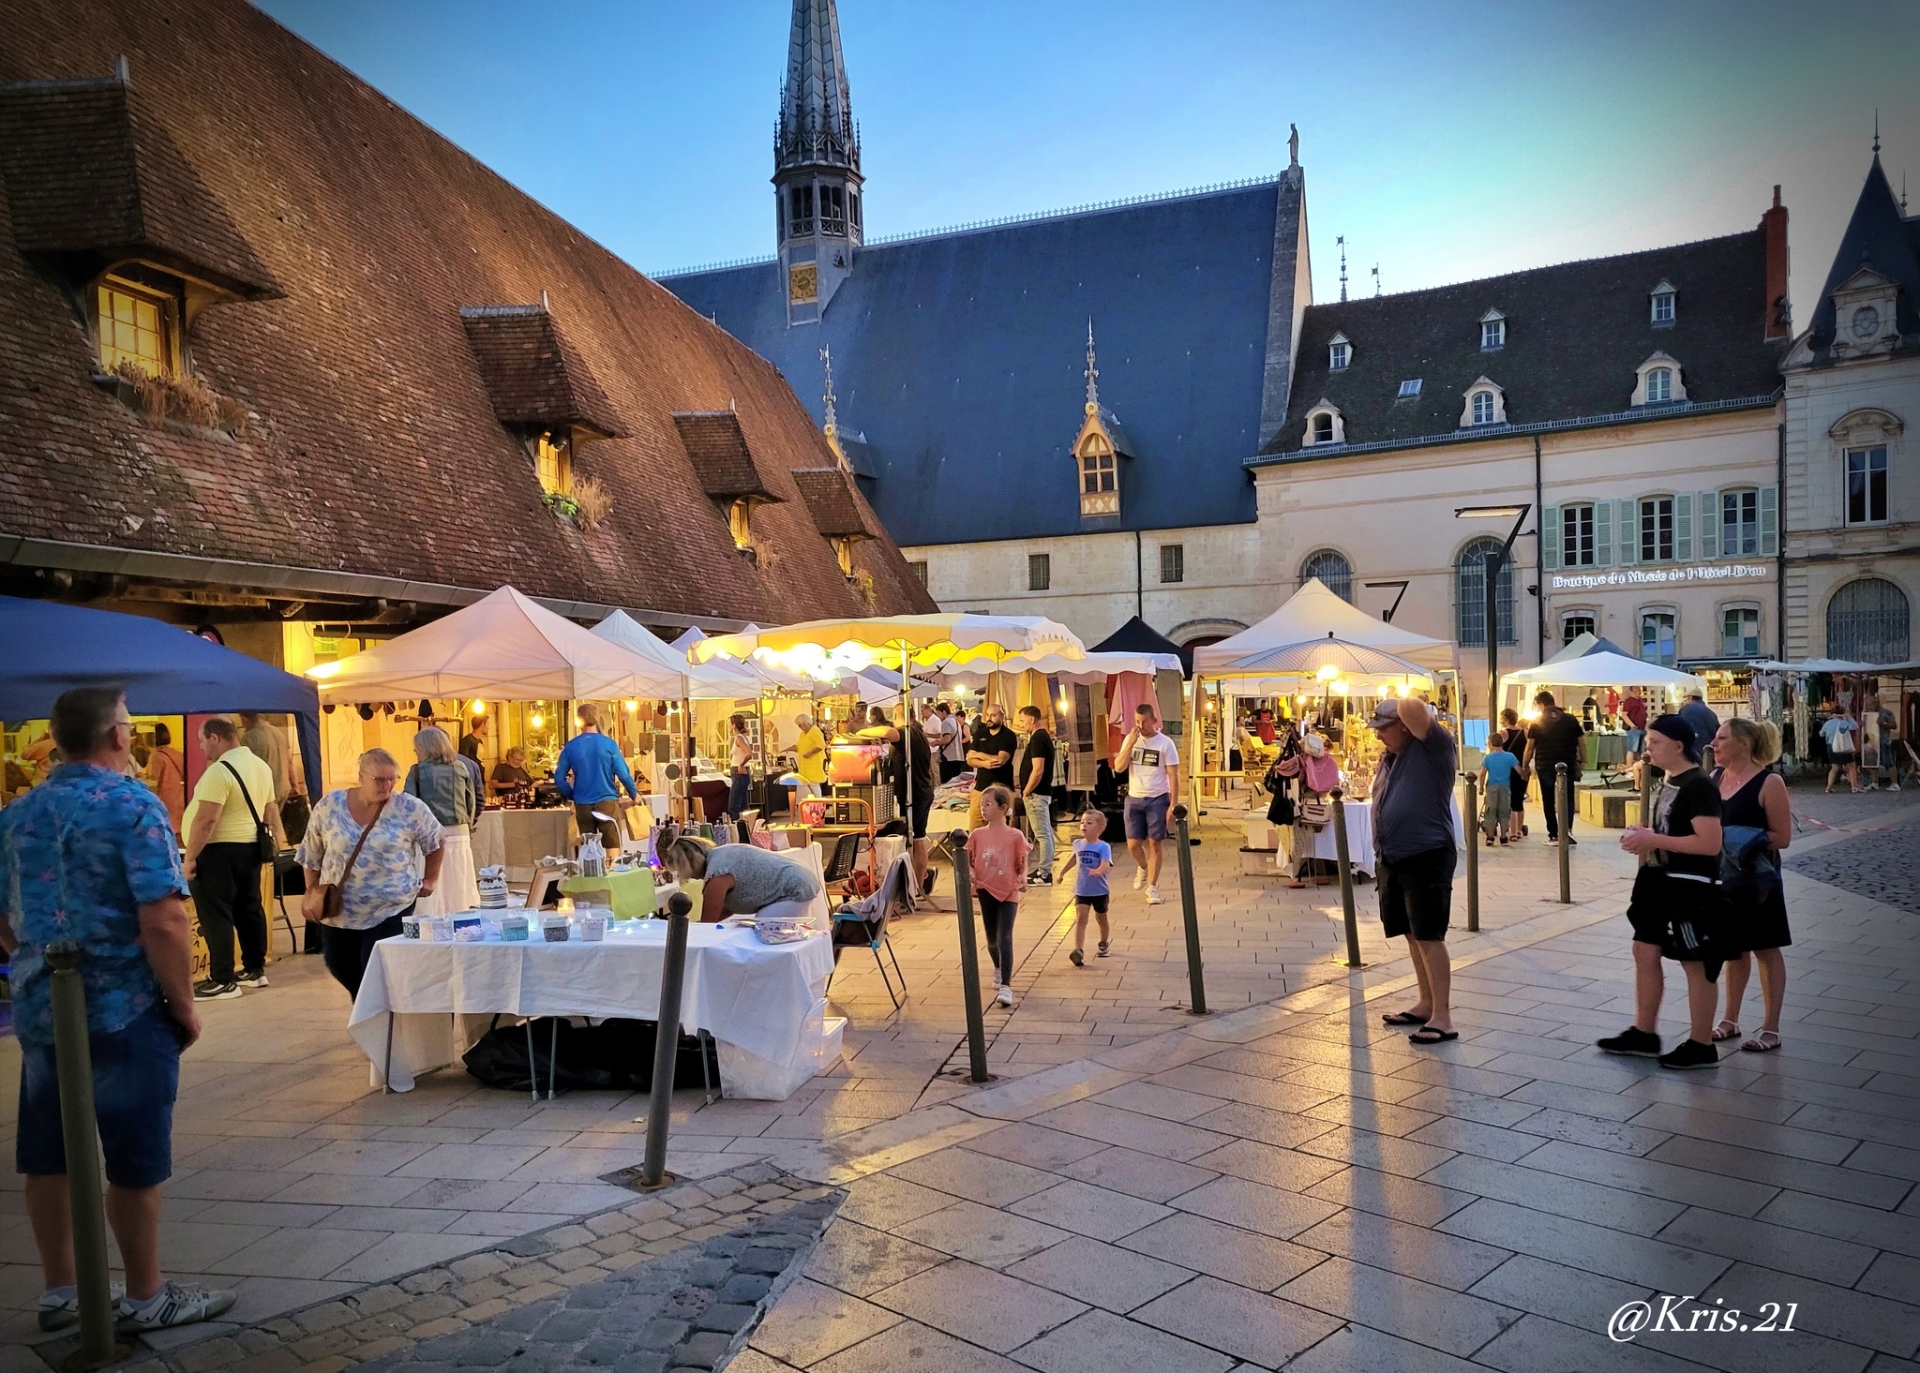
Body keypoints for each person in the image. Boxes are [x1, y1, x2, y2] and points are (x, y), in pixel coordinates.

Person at [0, 686, 234, 1335]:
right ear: (118, 735)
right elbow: (163, 915)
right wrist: (183, 1005)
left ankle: (61, 1291)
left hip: (44, 1009)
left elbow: (5, 915)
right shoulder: (133, 804)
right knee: (134, 1155)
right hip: (125, 1005)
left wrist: (33, 964)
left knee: (47, 1152)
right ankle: (144, 1293)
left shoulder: (18, 812)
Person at [1598, 715, 1726, 1071]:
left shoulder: (1699, 785)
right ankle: (1644, 1031)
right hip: (1660, 882)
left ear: (1677, 746)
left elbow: (1710, 843)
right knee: (1644, 949)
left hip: (1689, 887)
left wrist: (1652, 839)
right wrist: (1646, 833)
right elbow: (1673, 827)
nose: (1647, 747)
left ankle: (1702, 1043)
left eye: (1654, 742)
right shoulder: (1673, 780)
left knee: (1695, 961)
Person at [298, 748, 444, 1000]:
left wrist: (430, 878)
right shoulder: (329, 806)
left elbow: (437, 840)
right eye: (379, 779)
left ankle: (375, 1020)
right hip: (339, 908)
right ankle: (369, 1010)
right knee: (338, 963)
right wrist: (312, 892)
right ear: (361, 777)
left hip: (390, 906)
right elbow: (311, 853)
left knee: (374, 969)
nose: (387, 785)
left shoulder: (409, 808)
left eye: (392, 779)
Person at [1370, 697, 1459, 1045]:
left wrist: (1395, 688)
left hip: (1427, 852)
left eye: (1384, 728)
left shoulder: (1434, 747)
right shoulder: (1391, 758)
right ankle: (1425, 1004)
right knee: (1411, 933)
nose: (1378, 735)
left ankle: (1444, 1018)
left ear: (1405, 726)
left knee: (1429, 936)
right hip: (1395, 855)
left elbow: (1412, 706)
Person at [1710, 718, 1792, 1054]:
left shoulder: (1769, 782)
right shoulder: (1715, 779)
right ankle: (1730, 1020)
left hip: (1759, 881)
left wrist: (1738, 838)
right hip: (1726, 879)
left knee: (1766, 950)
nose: (1713, 744)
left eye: (1721, 738)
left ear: (1744, 743)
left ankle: (1771, 1027)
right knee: (1734, 950)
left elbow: (1782, 838)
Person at [182, 716, 277, 1000]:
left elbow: (206, 820)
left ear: (215, 737)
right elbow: (270, 809)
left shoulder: (218, 771)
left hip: (217, 852)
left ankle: (222, 979)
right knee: (249, 909)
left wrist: (190, 858)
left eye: (202, 741)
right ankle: (254, 969)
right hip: (249, 848)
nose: (201, 748)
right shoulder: (260, 766)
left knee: (216, 914)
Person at [659, 833, 821, 924]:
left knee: (765, 935)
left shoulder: (717, 876)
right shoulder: (721, 855)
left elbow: (707, 926)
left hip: (794, 887)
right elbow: (732, 904)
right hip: (801, 880)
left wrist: (692, 930)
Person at [404, 726, 480, 915]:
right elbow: (471, 802)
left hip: (430, 833)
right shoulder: (461, 767)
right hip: (460, 830)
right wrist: (468, 824)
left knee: (432, 877)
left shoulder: (417, 771)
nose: (415, 751)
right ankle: (463, 916)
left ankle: (432, 919)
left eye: (417, 747)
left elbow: (408, 806)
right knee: (459, 879)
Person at [966, 784, 1030, 1007]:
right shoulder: (977, 835)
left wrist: (1023, 877)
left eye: (988, 804)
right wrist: (972, 873)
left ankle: (1006, 985)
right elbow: (969, 862)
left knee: (1005, 937)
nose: (983, 809)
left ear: (1004, 808)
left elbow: (1022, 861)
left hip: (1008, 890)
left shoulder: (1016, 836)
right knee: (991, 939)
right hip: (985, 889)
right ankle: (997, 966)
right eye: (982, 804)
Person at [1113, 701, 1180, 905]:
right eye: (1137, 721)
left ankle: (1151, 887)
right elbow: (1118, 767)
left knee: (1155, 843)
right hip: (1134, 797)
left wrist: (1173, 804)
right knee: (1133, 845)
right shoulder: (1131, 741)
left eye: (1144, 721)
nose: (1140, 725)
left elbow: (1174, 775)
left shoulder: (1165, 743)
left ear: (1154, 720)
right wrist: (1130, 743)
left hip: (1158, 798)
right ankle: (1143, 866)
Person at [555, 704, 638, 849]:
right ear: (597, 719)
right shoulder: (609, 745)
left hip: (583, 805)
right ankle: (612, 868)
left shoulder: (571, 746)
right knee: (612, 845)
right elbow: (623, 774)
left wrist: (573, 795)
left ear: (579, 720)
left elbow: (559, 779)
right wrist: (633, 793)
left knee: (589, 847)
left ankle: (592, 870)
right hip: (607, 802)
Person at [1524, 690, 1585, 845]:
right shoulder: (1570, 719)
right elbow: (1581, 743)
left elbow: (1530, 747)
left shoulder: (1537, 722)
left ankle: (1553, 834)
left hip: (1545, 766)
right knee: (1568, 798)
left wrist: (1525, 765)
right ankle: (1567, 830)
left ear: (1542, 704)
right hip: (1568, 764)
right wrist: (1583, 761)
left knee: (1548, 800)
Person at [1016, 705, 1057, 885]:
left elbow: (1038, 769)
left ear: (1032, 720)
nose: (1022, 724)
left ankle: (1044, 873)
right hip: (1039, 793)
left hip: (1036, 794)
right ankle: (1044, 870)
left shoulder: (1038, 739)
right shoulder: (1042, 737)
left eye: (1023, 720)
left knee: (1042, 834)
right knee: (1045, 832)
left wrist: (1027, 789)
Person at [1067, 810, 1113, 966]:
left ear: (1099, 828)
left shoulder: (1103, 847)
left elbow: (1106, 864)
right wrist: (1061, 872)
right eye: (1082, 822)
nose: (1084, 825)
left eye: (1089, 822)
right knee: (1081, 919)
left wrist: (1098, 871)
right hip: (1082, 890)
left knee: (1101, 918)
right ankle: (1078, 949)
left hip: (1100, 890)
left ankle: (1104, 942)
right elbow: (1074, 859)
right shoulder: (1077, 844)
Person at [966, 703, 1018, 830]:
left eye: (993, 715)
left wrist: (979, 755)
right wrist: (985, 763)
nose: (989, 718)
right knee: (975, 825)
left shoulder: (1008, 736)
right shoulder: (980, 734)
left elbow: (1000, 760)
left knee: (1003, 826)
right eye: (987, 715)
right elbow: (969, 759)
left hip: (1002, 788)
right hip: (980, 787)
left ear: (1001, 716)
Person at [143, 720, 186, 837]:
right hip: (180, 798)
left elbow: (153, 780)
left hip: (165, 800)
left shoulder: (157, 756)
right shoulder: (178, 754)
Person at [1480, 733, 1518, 846]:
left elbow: (1482, 774)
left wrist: (1481, 788)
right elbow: (1519, 770)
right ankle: (1503, 836)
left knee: (1491, 810)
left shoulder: (1488, 757)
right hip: (1505, 786)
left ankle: (1490, 837)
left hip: (1492, 786)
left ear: (1491, 744)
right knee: (1504, 811)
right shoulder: (1510, 756)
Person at [1498, 708, 1529, 841]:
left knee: (1511, 802)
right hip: (1522, 768)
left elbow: (1496, 749)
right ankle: (1520, 830)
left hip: (1509, 770)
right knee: (1519, 800)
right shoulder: (1526, 732)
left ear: (1505, 718)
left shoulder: (1503, 733)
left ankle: (1514, 831)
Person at [1821, 710, 1860, 793]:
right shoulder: (1843, 723)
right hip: (1843, 747)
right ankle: (1854, 787)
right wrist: (1849, 718)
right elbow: (1855, 726)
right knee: (1851, 766)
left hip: (1831, 747)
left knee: (1834, 767)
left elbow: (1821, 734)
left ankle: (1829, 787)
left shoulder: (1827, 723)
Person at [793, 712, 827, 801]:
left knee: (814, 784)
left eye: (800, 725)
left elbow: (821, 745)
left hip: (814, 764)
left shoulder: (815, 731)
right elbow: (799, 746)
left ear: (805, 723)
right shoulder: (803, 734)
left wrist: (810, 752)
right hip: (806, 766)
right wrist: (789, 749)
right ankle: (815, 804)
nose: (799, 727)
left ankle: (819, 804)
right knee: (810, 785)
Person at [726, 713, 754, 818]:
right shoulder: (741, 737)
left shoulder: (739, 738)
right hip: (740, 773)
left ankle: (736, 827)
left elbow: (748, 753)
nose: (728, 726)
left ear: (733, 725)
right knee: (743, 805)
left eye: (729, 724)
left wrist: (741, 764)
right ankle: (746, 826)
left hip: (739, 773)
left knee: (734, 805)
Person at [1679, 691, 1720, 760]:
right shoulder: (1710, 712)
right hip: (1707, 751)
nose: (1684, 701)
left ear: (1690, 697)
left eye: (1685, 698)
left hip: (1690, 750)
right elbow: (1715, 731)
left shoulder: (1685, 710)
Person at [1621, 689, 1649, 765]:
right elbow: (1624, 715)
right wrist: (1632, 725)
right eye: (1636, 690)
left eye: (1639, 690)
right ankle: (1629, 767)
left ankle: (1641, 767)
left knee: (1642, 749)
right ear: (1631, 691)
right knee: (1632, 749)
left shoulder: (1641, 701)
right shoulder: (1629, 701)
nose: (1638, 692)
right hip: (1634, 728)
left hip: (1642, 727)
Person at [943, 704, 970, 781]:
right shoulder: (957, 725)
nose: (957, 718)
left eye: (958, 717)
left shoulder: (965, 726)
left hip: (964, 747)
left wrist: (959, 742)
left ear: (962, 717)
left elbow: (968, 737)